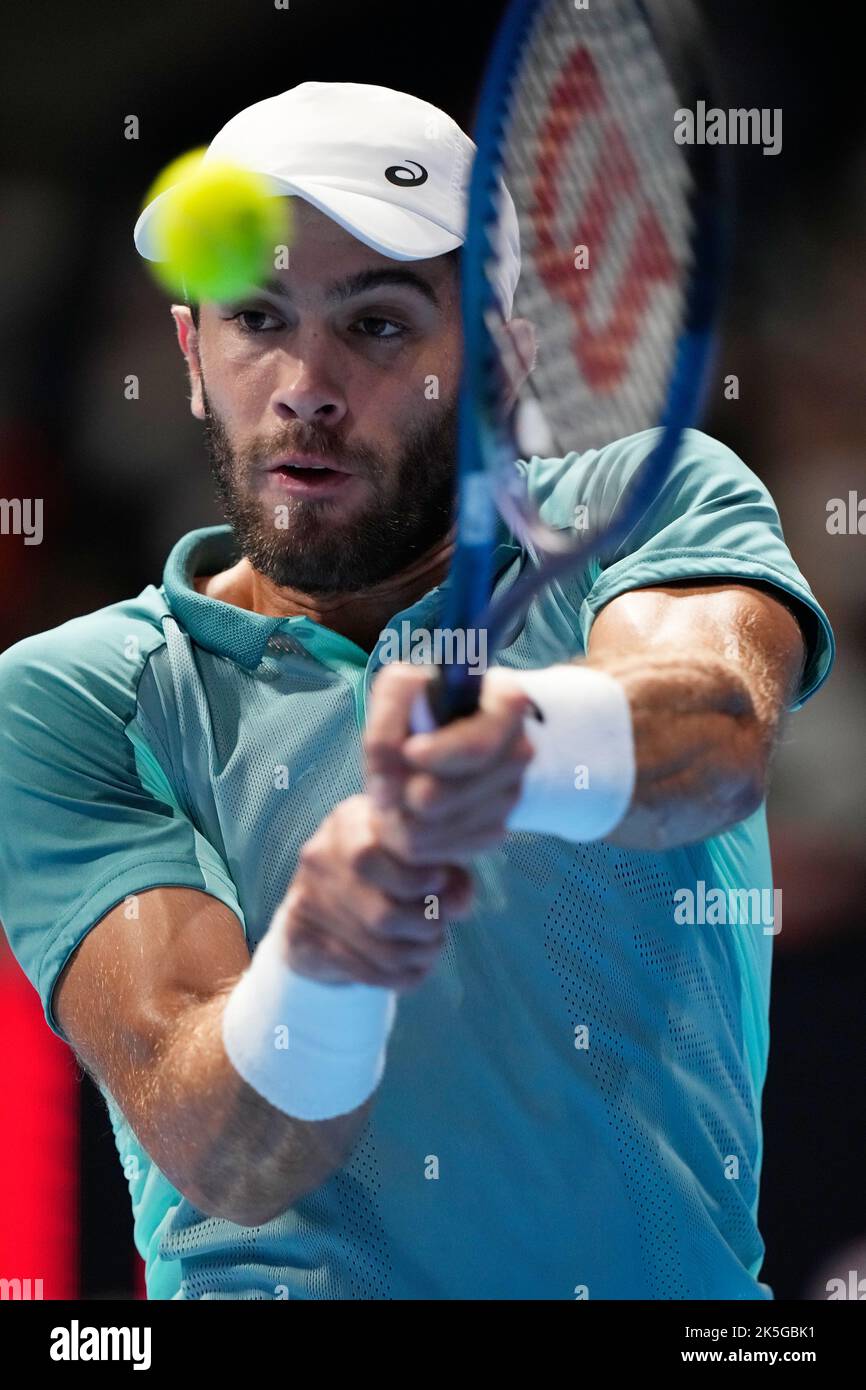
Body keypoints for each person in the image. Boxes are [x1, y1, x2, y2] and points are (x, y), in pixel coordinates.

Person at [0, 82, 834, 1299]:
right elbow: (227, 1152)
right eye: (255, 317)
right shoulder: (71, 696)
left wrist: (515, 743)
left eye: (377, 324)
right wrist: (327, 956)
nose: (303, 383)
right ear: (191, 353)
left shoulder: (636, 507)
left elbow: (711, 727)